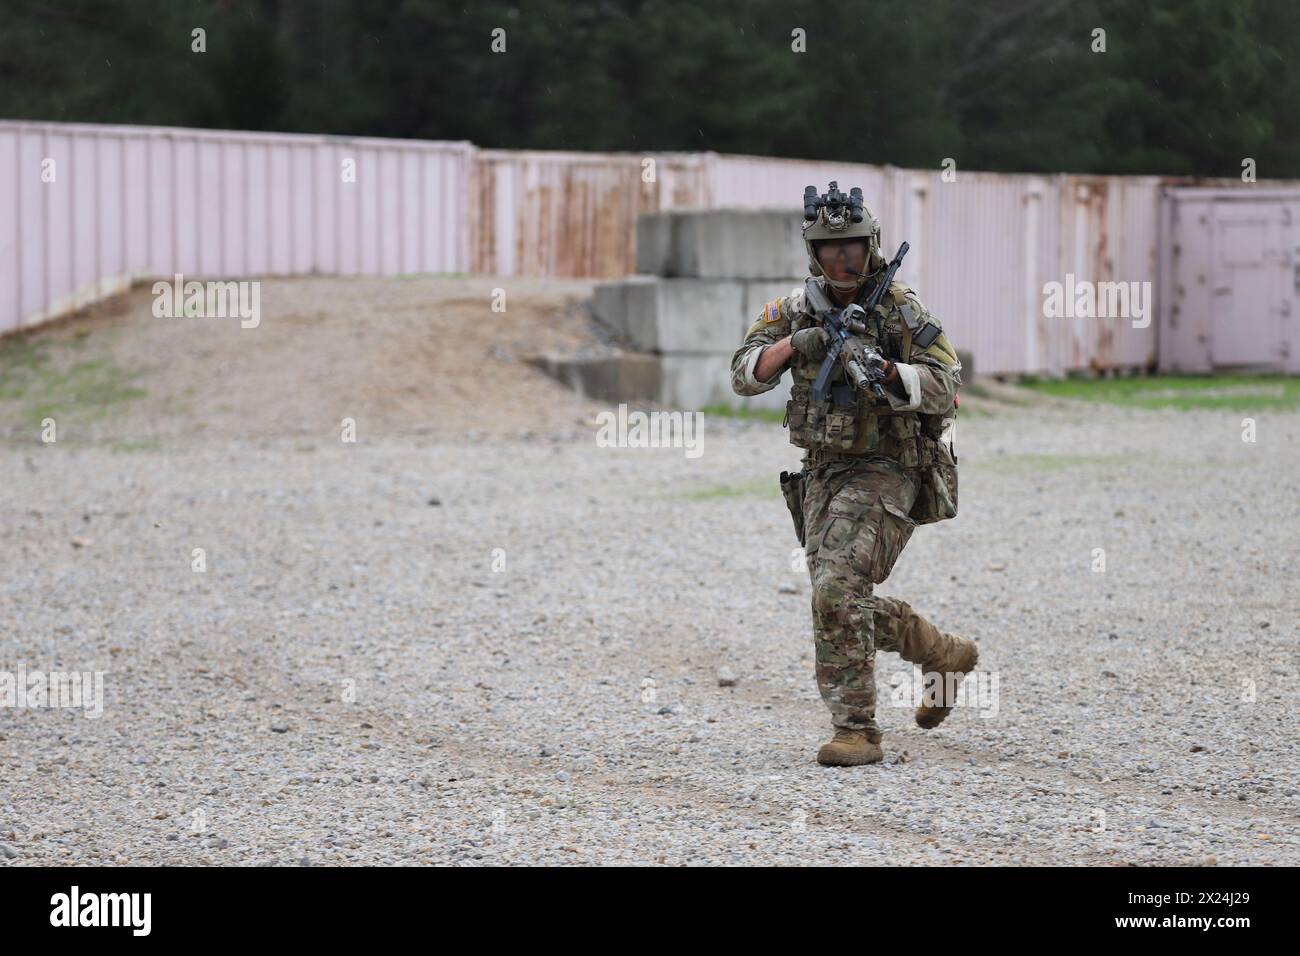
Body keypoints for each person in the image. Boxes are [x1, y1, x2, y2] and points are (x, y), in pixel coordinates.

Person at [729, 183, 978, 766]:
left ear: (873, 246)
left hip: (890, 467)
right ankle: (940, 651)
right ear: (813, 254)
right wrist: (797, 343)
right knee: (836, 597)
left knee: (836, 589)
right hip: (822, 472)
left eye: (853, 248)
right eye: (830, 249)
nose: (843, 260)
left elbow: (950, 387)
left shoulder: (902, 311)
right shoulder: (794, 309)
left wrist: (891, 374)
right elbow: (744, 374)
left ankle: (857, 731)